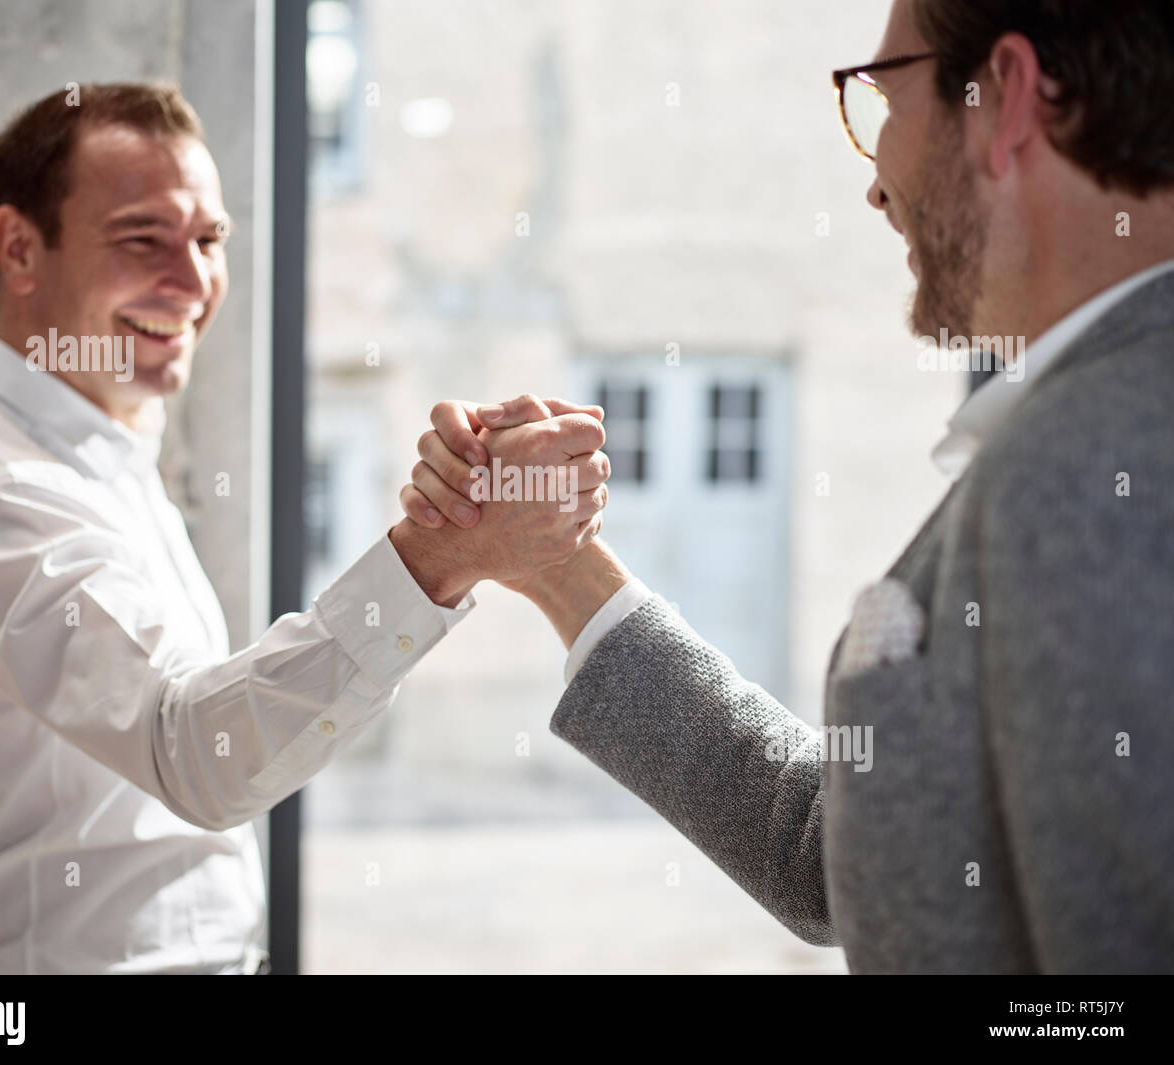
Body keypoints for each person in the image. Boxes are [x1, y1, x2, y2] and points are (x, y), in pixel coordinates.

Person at [404, 0, 1174, 972]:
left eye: (881, 99)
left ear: (1005, 97)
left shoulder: (1092, 469)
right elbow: (835, 858)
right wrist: (560, 568)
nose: (875, 187)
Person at [0, 83, 610, 974]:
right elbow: (195, 751)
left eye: (210, 240)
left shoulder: (93, 442)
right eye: (143, 238)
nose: (193, 286)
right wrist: (442, 552)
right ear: (19, 248)